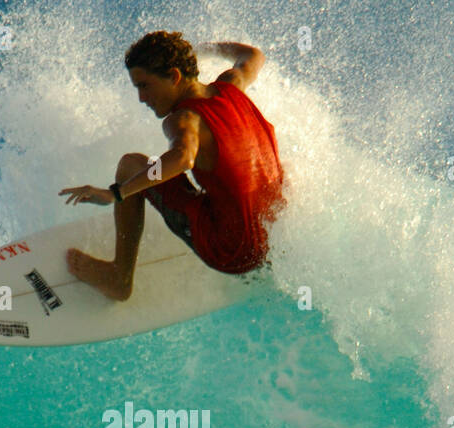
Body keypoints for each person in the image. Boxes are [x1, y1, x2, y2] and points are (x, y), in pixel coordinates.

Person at [58, 31, 286, 301]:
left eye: (145, 85)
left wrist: (117, 193)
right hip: (276, 235)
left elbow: (181, 158)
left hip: (232, 251)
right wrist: (208, 49)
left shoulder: (184, 119)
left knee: (132, 165)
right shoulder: (232, 84)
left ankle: (119, 277)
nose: (142, 98)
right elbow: (252, 55)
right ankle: (262, 261)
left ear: (175, 77)